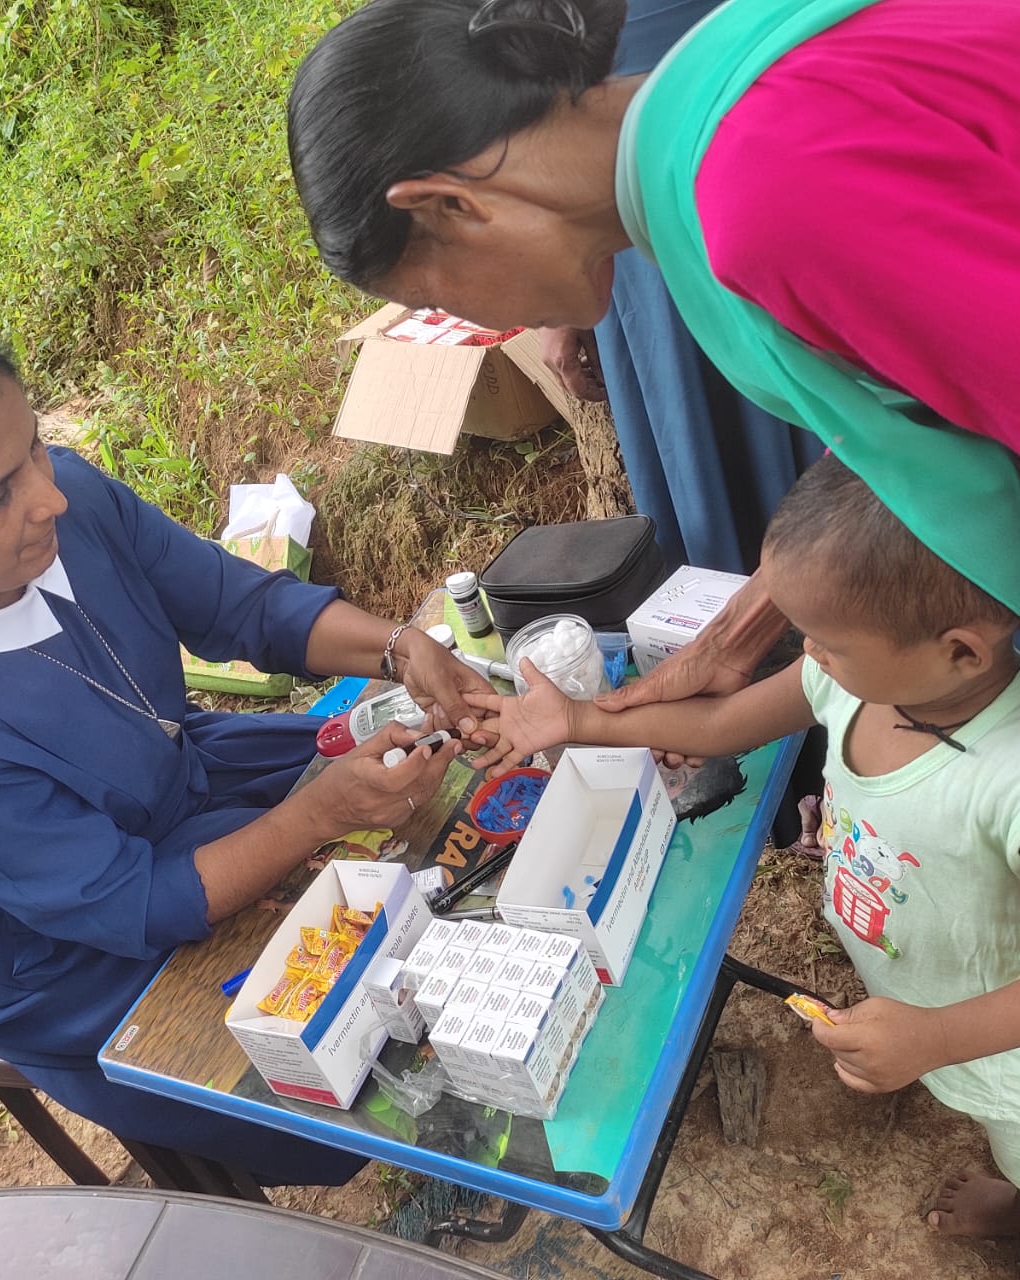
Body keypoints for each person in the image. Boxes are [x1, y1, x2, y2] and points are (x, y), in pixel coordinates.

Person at [0, 303, 493, 1184]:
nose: (50, 496)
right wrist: (315, 817)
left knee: (431, 831)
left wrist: (398, 648)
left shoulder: (65, 511)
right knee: (333, 1039)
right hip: (66, 958)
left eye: (33, 445)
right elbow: (136, 903)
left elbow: (243, 606)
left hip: (178, 782)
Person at [287, 0, 1020, 706]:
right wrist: (734, 633)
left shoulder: (761, 193)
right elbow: (908, 418)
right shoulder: (703, 102)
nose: (490, 322)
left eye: (439, 300)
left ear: (451, 205)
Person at [464, 451, 1020, 1237]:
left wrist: (936, 1037)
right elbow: (725, 723)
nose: (807, 654)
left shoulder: (1008, 776)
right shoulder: (855, 681)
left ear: (962, 650)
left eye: (825, 640)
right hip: (921, 986)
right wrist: (581, 721)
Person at [538, 0, 822, 577]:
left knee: (815, 394)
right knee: (690, 415)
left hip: (770, 113)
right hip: (618, 171)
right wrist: (557, 305)